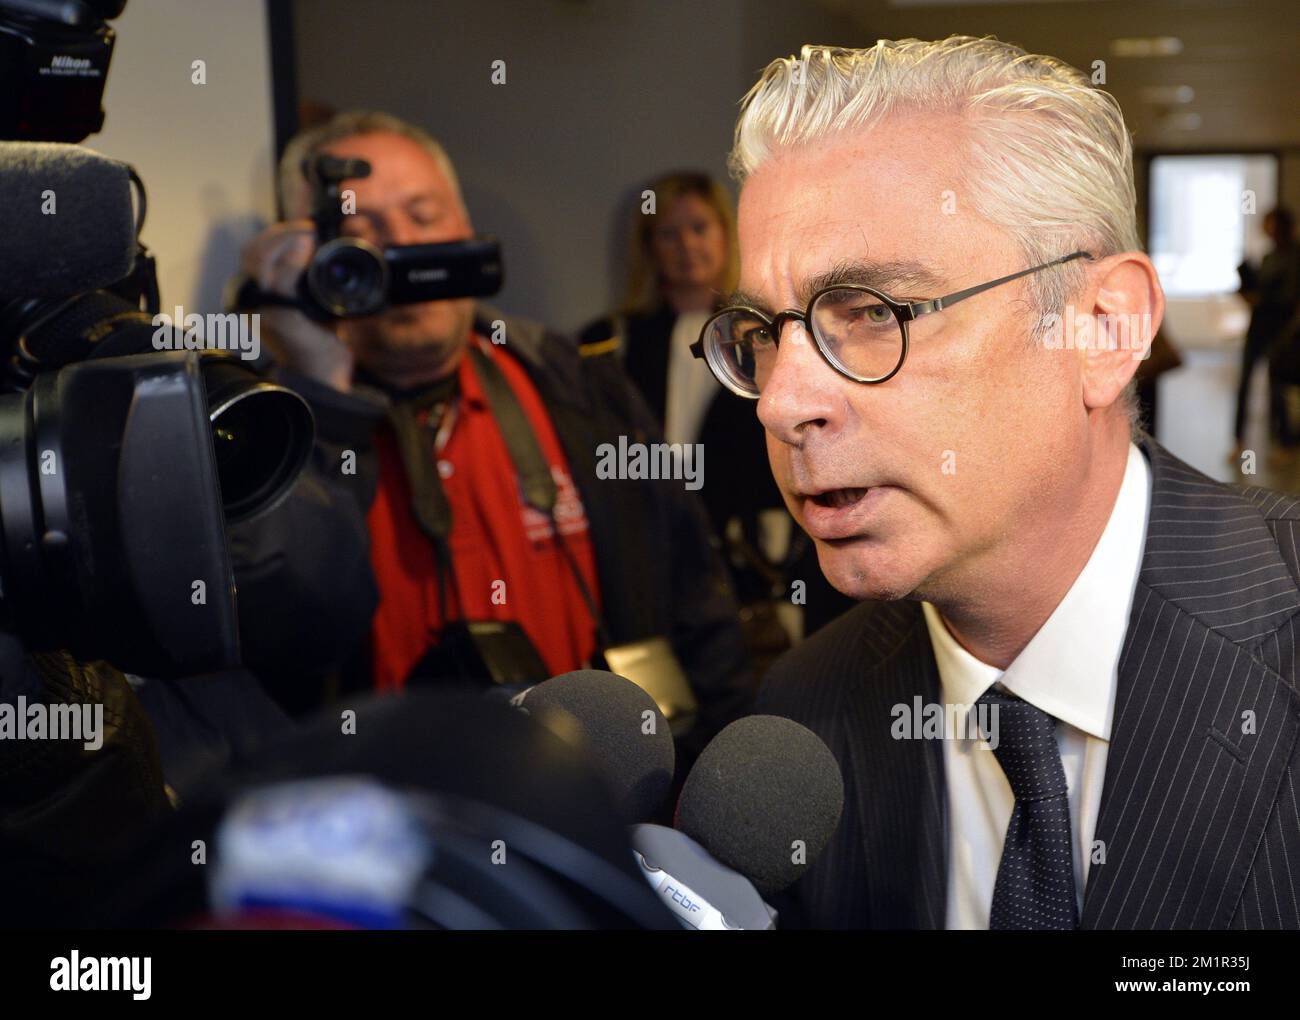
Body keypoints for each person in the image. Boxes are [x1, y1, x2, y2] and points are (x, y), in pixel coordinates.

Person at [691, 38, 1300, 929]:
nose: (782, 402)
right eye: (762, 332)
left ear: (1100, 326)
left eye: (870, 314)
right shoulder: (804, 715)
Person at [232, 111, 752, 753]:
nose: (403, 252)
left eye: (424, 219)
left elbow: (694, 592)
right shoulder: (274, 431)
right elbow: (278, 634)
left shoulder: (580, 387)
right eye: (363, 235)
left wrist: (708, 780)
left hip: (608, 803)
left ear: (465, 230)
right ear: (320, 264)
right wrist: (316, 393)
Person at [580, 172, 852, 665]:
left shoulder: (771, 332)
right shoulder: (607, 342)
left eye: (699, 228)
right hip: (645, 565)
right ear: (648, 246)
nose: (686, 245)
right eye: (668, 232)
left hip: (750, 572)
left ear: (726, 235)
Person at [1233, 206, 1300, 464]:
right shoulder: (1270, 256)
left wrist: (1260, 299)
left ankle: (1284, 441)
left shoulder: (1293, 257)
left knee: (1277, 390)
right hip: (1259, 328)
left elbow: (1287, 297)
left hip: (1279, 332)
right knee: (1245, 384)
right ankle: (1239, 441)